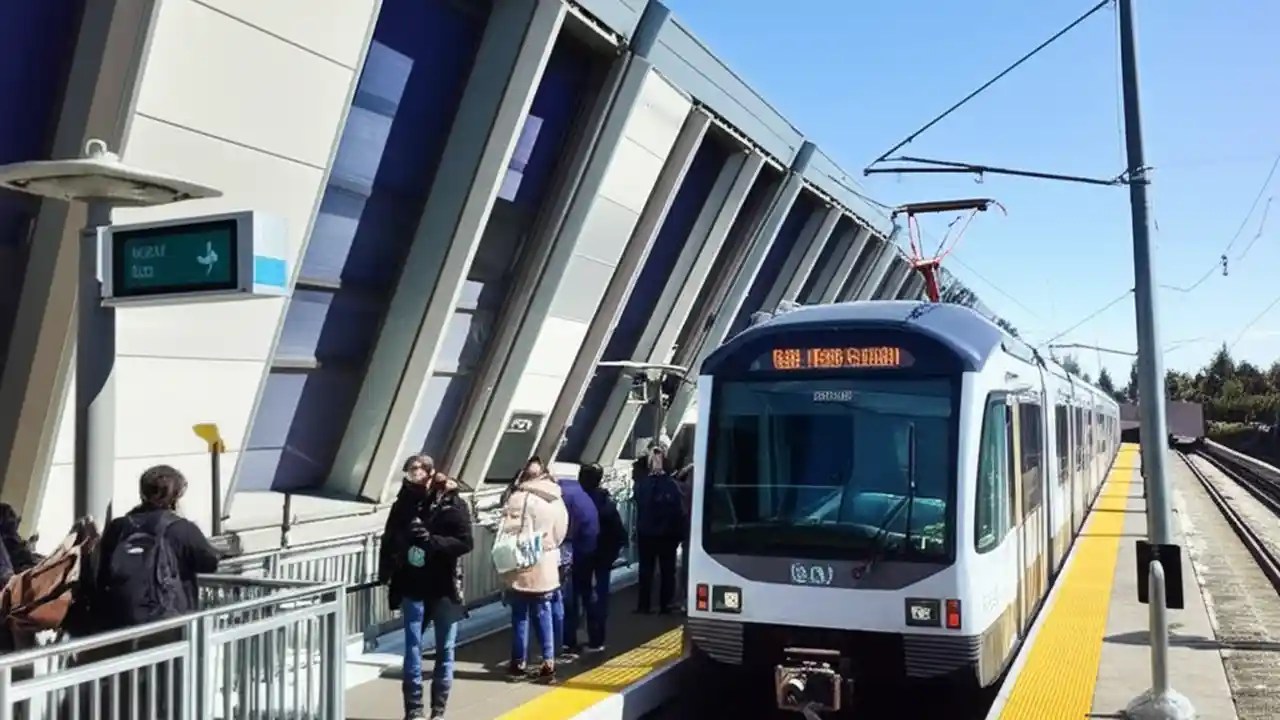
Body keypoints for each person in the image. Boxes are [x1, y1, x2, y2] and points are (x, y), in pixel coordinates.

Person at [93, 464, 220, 717]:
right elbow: (210, 561)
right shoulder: (180, 528)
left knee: (125, 691)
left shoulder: (120, 526)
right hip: (165, 621)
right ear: (175, 496)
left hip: (120, 621)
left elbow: (101, 569)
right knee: (170, 690)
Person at [378, 455, 474, 720]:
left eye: (417, 474)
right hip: (412, 584)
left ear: (431, 474)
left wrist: (431, 541)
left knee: (445, 649)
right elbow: (389, 538)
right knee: (412, 648)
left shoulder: (452, 502)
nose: (413, 479)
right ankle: (414, 711)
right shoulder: (404, 503)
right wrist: (386, 572)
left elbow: (465, 542)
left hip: (445, 587)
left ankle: (438, 710)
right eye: (409, 474)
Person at [498, 456, 568, 683]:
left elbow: (509, 531)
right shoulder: (556, 498)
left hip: (523, 563)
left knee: (520, 615)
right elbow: (561, 530)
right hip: (547, 561)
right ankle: (549, 662)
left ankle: (518, 663)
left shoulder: (519, 498)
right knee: (544, 611)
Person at [578, 463, 626, 651]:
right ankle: (599, 637)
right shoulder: (607, 501)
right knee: (601, 593)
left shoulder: (580, 501)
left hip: (585, 553)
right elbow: (618, 530)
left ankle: (587, 636)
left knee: (585, 594)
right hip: (605, 554)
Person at [632, 448, 684, 615]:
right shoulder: (673, 486)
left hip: (646, 533)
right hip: (667, 535)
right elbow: (679, 511)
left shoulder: (641, 485)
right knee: (667, 571)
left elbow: (639, 502)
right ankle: (665, 604)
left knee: (646, 570)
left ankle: (643, 605)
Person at [555, 464, 599, 657]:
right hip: (588, 549)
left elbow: (565, 528)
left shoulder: (563, 497)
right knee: (588, 595)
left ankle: (568, 640)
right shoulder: (579, 494)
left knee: (569, 599)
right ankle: (595, 638)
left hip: (575, 552)